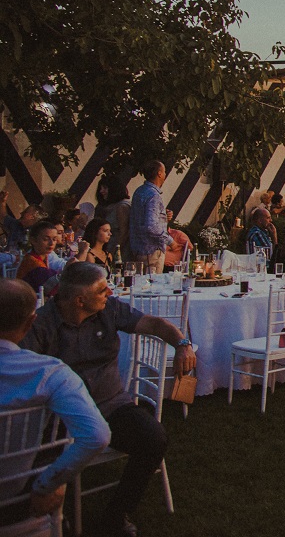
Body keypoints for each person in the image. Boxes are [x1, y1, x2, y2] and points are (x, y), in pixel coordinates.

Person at [21, 262, 195, 536]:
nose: (109, 292)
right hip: (60, 416)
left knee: (153, 438)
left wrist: (182, 344)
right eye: (102, 289)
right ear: (80, 300)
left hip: (111, 404)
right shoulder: (43, 324)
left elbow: (153, 324)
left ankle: (117, 513)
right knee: (34, 459)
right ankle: (49, 515)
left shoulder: (109, 309)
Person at [0, 279, 111, 528]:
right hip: (16, 498)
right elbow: (97, 435)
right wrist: (47, 484)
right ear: (31, 323)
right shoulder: (51, 373)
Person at [129, 160, 173, 274]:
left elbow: (142, 217)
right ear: (159, 173)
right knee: (153, 287)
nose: (165, 174)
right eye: (164, 172)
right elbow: (152, 226)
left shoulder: (139, 191)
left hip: (137, 248)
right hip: (152, 250)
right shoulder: (154, 195)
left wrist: (163, 216)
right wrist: (170, 241)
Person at [16, 221, 59, 294]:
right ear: (33, 240)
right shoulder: (32, 262)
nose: (51, 243)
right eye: (46, 239)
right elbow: (56, 286)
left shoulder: (44, 257)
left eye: (54, 239)